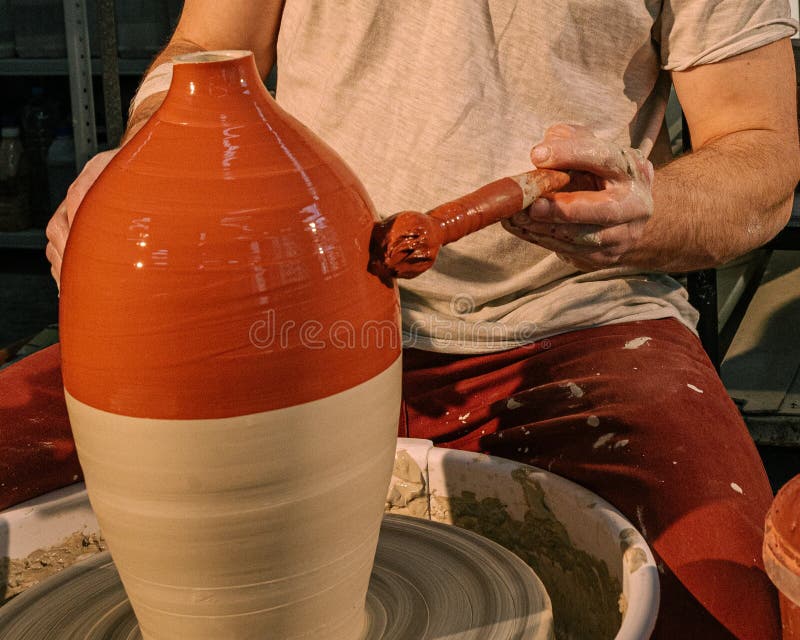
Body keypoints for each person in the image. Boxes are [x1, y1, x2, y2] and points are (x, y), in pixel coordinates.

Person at [46, 1, 799, 637]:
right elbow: (203, 51)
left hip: (575, 318)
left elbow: (760, 158)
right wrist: (141, 152)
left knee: (725, 606)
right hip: (288, 317)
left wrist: (647, 209)